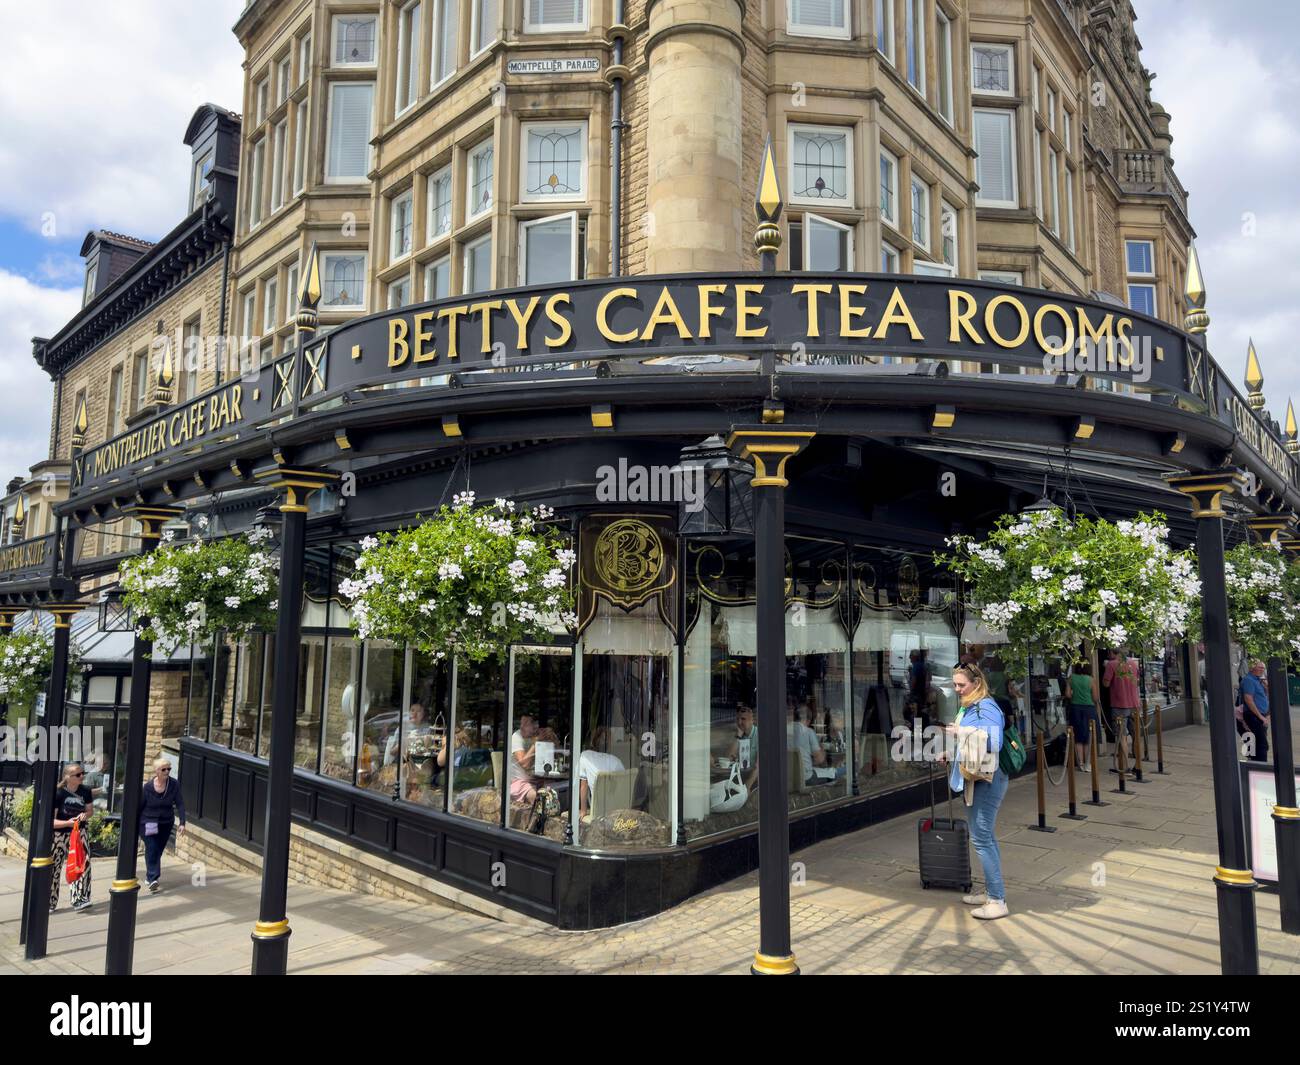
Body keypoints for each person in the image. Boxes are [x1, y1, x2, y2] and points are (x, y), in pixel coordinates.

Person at [947, 663, 1009, 920]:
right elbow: (972, 745)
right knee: (984, 837)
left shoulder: (986, 707)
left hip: (988, 780)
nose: (957, 689)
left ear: (977, 683)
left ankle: (997, 900)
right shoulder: (971, 706)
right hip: (976, 778)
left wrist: (961, 731)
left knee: (982, 838)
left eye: (962, 684)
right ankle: (991, 891)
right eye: (955, 685)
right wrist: (949, 753)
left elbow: (994, 742)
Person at [50, 762, 94, 912]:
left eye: (83, 774)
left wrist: (84, 816)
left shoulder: (86, 791)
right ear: (68, 777)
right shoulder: (58, 793)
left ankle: (80, 898)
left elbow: (90, 811)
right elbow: (52, 821)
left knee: (83, 864)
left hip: (79, 832)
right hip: (60, 834)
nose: (82, 776)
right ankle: (50, 901)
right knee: (54, 867)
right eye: (78, 774)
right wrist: (67, 823)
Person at [139, 757, 186, 893]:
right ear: (156, 771)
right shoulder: (147, 787)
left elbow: (180, 804)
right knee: (152, 846)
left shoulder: (174, 784)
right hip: (148, 821)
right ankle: (153, 878)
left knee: (157, 850)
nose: (167, 771)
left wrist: (182, 822)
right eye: (163, 769)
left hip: (166, 822)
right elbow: (141, 805)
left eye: (169, 769)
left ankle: (149, 876)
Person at [578, 726, 625, 819]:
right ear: (610, 743)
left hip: (597, 810)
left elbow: (583, 787)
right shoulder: (616, 761)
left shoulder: (585, 756)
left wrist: (583, 810)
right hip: (617, 810)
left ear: (593, 742)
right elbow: (623, 787)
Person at [1103, 647, 1140, 762]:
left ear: (1112, 652)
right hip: (1134, 703)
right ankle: (1137, 759)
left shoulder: (1111, 664)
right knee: (1135, 734)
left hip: (1120, 704)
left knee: (1121, 736)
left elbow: (1106, 684)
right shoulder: (1133, 664)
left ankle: (1124, 766)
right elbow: (1136, 681)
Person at [1068, 660, 1100, 771]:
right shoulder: (1091, 680)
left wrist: (1074, 695)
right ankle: (1087, 763)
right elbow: (1095, 697)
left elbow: (1067, 694)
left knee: (1077, 737)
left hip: (1075, 708)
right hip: (1089, 709)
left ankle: (1080, 763)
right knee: (1088, 736)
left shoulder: (1071, 678)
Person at [787, 700, 826, 786]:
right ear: (808, 720)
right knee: (839, 772)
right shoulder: (808, 731)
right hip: (806, 778)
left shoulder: (784, 730)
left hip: (788, 778)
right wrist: (822, 748)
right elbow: (820, 760)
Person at [1240, 660, 1270, 764]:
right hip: (1254, 716)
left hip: (1261, 716)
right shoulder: (1249, 680)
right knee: (1262, 745)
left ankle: (1254, 764)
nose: (1262, 670)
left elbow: (1265, 697)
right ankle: (1261, 767)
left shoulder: (1258, 681)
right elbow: (1248, 699)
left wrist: (1266, 687)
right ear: (1252, 668)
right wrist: (1260, 717)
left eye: (1263, 668)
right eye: (1260, 667)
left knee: (1257, 743)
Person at [730, 703, 760, 788]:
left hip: (755, 780)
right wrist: (738, 736)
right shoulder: (740, 735)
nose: (739, 722)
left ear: (752, 720)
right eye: (738, 719)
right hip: (740, 776)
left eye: (743, 719)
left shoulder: (759, 735)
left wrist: (747, 787)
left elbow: (759, 766)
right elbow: (728, 758)